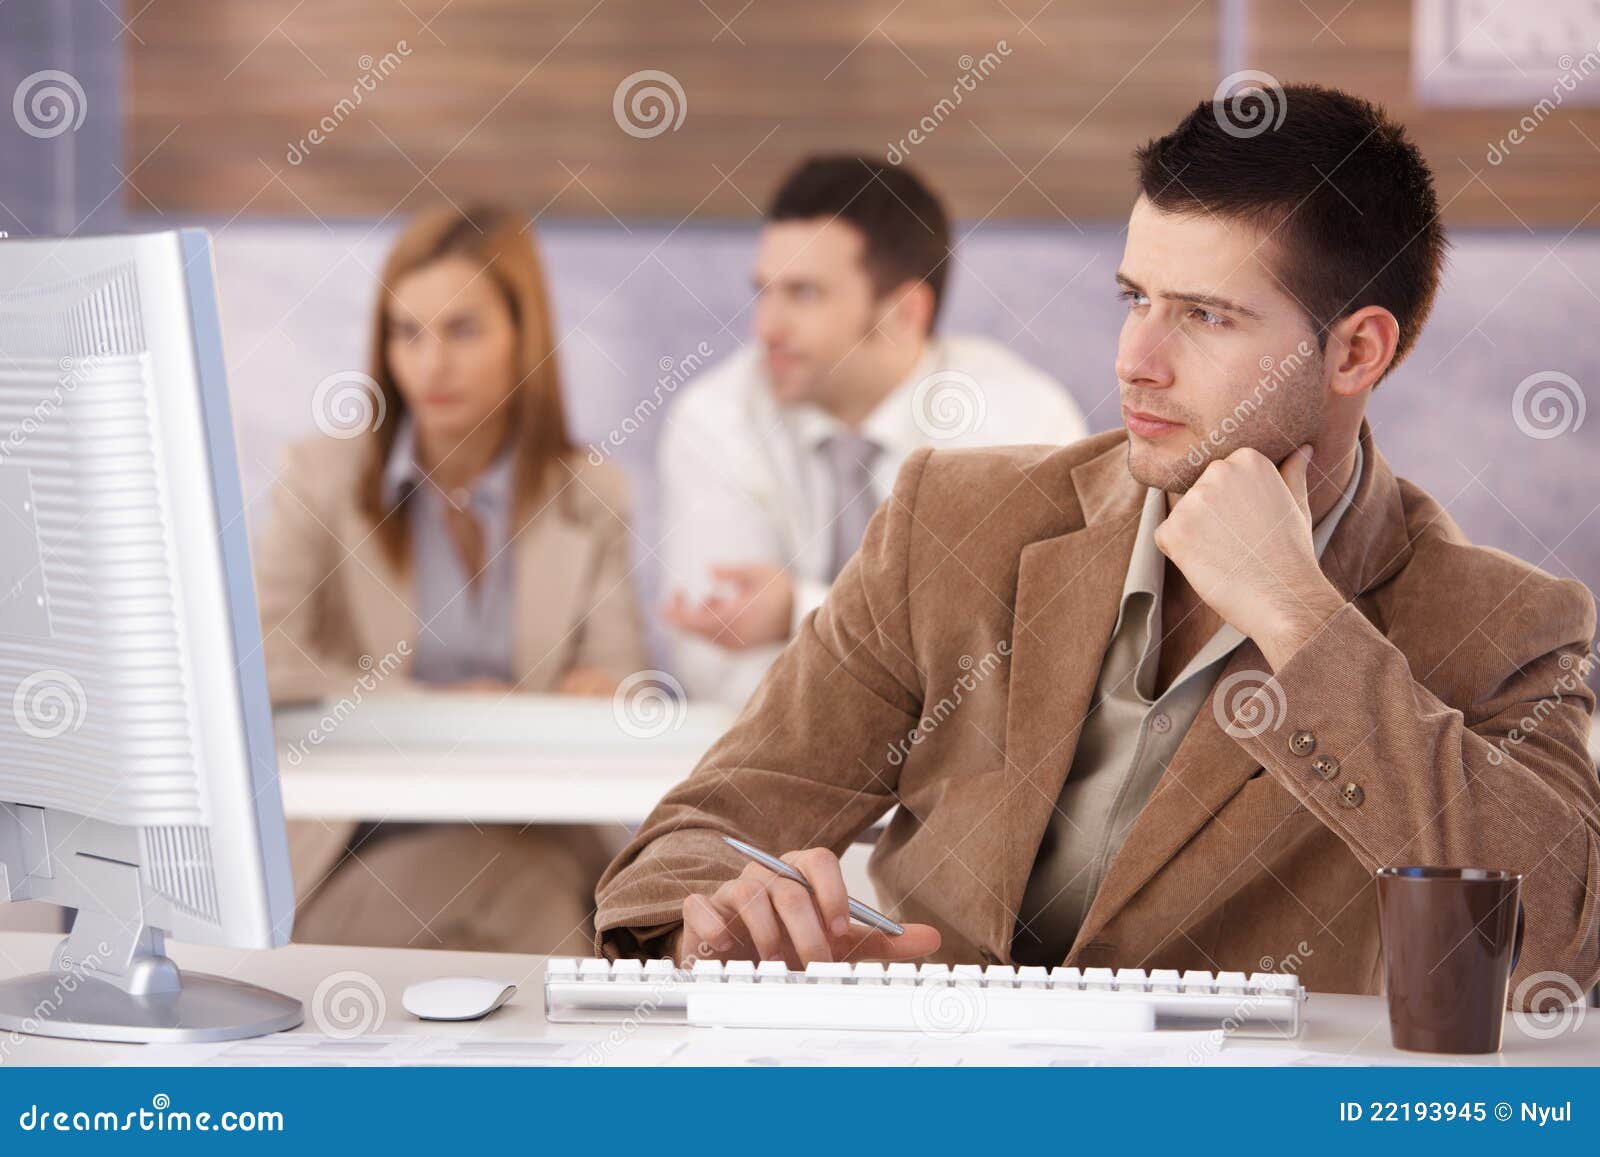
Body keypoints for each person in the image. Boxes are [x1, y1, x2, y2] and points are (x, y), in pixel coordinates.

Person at [595, 87, 1600, 1004]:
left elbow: (1559, 942)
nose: (1135, 361)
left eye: (1204, 315)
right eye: (1135, 298)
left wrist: (1301, 617)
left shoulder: (1501, 623)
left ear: (1356, 350)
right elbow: (686, 843)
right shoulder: (952, 521)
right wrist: (716, 928)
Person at [256, 205, 647, 955]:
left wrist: (601, 688)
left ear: (521, 337)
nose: (431, 364)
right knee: (532, 902)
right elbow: (267, 662)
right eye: (408, 333)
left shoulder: (592, 494)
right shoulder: (322, 477)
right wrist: (434, 707)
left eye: (462, 331)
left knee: (538, 888)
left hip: (547, 832)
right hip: (363, 846)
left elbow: (623, 677)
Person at [659, 155, 1087, 707]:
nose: (765, 328)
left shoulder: (1020, 418)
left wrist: (797, 610)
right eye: (763, 291)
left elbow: (1022, 655)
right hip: (777, 776)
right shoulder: (715, 416)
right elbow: (716, 665)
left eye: (804, 294)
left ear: (904, 313)